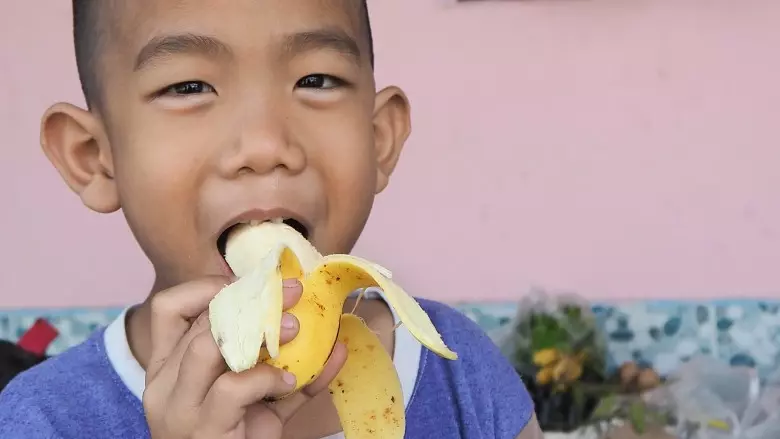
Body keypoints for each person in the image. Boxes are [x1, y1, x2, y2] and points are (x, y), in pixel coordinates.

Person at [0, 0, 543, 438]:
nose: (264, 146)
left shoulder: (459, 373)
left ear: (379, 139)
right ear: (93, 157)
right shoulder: (42, 420)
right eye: (188, 87)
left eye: (317, 80)